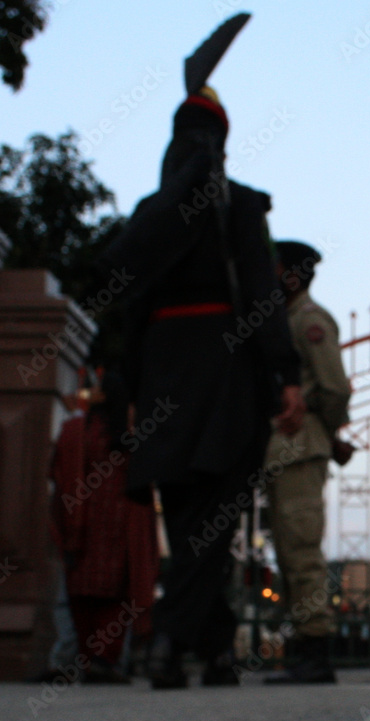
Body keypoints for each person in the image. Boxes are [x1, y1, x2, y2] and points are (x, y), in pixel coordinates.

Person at [104, 86, 305, 689]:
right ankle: (166, 643)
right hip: (225, 376)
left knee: (192, 523)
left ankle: (216, 651)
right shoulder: (240, 205)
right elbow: (262, 294)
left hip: (163, 376)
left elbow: (127, 312)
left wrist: (128, 392)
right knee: (213, 520)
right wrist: (285, 373)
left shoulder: (149, 214)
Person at [263, 241, 352, 684]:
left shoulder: (308, 321)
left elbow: (334, 389)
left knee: (300, 549)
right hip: (288, 446)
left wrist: (324, 431)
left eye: (274, 267)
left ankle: (315, 648)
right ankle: (305, 646)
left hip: (300, 445)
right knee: (288, 550)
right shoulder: (284, 319)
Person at [48, 370, 159, 683]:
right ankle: (104, 659)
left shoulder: (77, 430)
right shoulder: (132, 436)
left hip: (80, 524)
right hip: (121, 525)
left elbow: (57, 471)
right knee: (115, 596)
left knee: (80, 593)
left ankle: (76, 659)